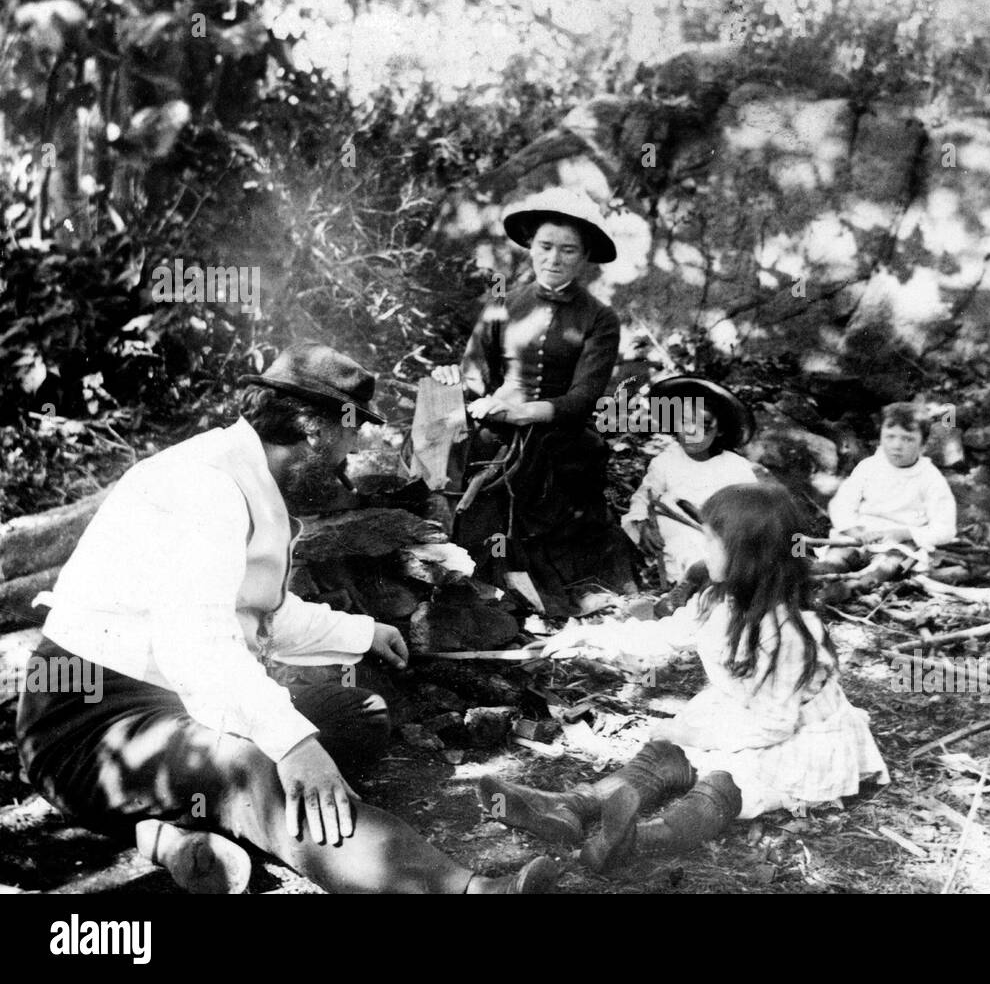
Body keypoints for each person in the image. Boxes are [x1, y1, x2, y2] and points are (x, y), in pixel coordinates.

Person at [16, 344, 557, 894]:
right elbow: (199, 648)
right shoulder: (204, 484)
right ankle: (462, 888)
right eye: (351, 431)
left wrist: (362, 633)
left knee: (358, 712)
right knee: (257, 761)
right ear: (312, 429)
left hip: (168, 701)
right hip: (86, 723)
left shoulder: (252, 475)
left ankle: (170, 831)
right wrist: (293, 747)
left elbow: (260, 613)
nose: (354, 450)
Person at [476, 483, 890, 874]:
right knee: (662, 752)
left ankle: (638, 840)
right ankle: (569, 808)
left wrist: (693, 734)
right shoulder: (716, 598)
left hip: (791, 737)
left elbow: (774, 724)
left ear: (748, 554)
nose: (700, 548)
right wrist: (584, 637)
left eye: (711, 540)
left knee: (723, 783)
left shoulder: (788, 633)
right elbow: (664, 636)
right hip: (740, 713)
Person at [432, 188, 634, 615]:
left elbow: (583, 398)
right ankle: (474, 579)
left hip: (560, 430)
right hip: (499, 421)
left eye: (568, 250)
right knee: (467, 449)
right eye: (545, 247)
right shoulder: (504, 299)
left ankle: (558, 586)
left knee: (572, 461)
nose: (554, 259)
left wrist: (524, 412)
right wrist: (453, 381)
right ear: (530, 248)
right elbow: (474, 373)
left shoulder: (600, 318)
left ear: (583, 258)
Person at [621, 374, 758, 585]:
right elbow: (644, 498)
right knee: (668, 513)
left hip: (723, 537)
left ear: (720, 430)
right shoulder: (665, 462)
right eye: (684, 421)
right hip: (683, 535)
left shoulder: (735, 466)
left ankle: (725, 576)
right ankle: (695, 576)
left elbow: (754, 505)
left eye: (704, 425)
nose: (691, 431)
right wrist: (641, 523)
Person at [817, 402, 958, 587]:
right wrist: (855, 531)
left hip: (898, 545)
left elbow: (945, 528)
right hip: (861, 536)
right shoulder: (869, 467)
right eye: (889, 437)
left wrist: (905, 533)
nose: (897, 446)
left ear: (923, 445)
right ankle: (818, 581)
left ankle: (853, 587)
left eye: (908, 439)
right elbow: (841, 504)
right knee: (836, 558)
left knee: (885, 566)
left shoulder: (929, 477)